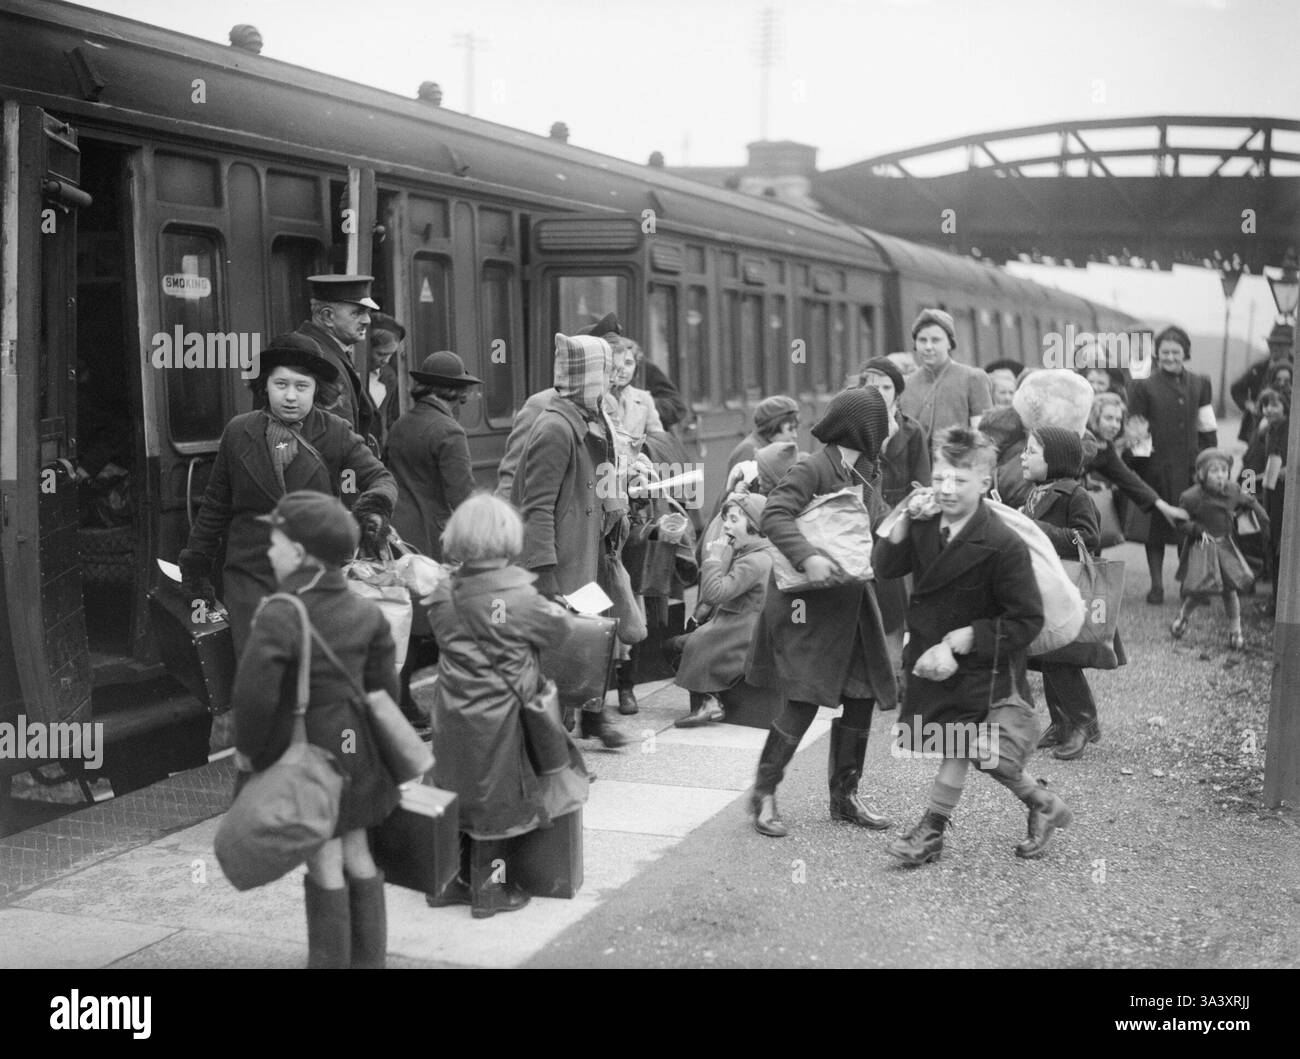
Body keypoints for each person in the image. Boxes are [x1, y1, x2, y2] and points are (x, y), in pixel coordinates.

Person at [875, 428, 1072, 865]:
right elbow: (885, 566)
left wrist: (966, 639)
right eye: (941, 477)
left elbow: (1026, 620)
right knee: (960, 746)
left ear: (985, 483)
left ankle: (932, 832)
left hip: (985, 667)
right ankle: (1039, 802)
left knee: (972, 750)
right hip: (930, 659)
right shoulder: (925, 520)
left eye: (960, 481)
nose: (946, 489)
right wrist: (905, 516)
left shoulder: (1002, 544)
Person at [231, 491, 399, 968]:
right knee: (358, 850)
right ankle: (369, 962)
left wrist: (253, 755)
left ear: (300, 554)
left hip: (309, 752)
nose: (268, 552)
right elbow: (385, 690)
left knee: (323, 859)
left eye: (276, 543)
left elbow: (254, 697)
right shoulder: (367, 611)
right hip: (359, 752)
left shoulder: (281, 613)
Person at [423, 494, 590, 918]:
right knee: (495, 807)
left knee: (456, 793)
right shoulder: (516, 598)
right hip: (501, 715)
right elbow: (561, 630)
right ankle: (490, 891)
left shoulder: (445, 592)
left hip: (452, 713)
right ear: (505, 538)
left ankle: (445, 885)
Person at [179, 334, 396, 656]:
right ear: (264, 386)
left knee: (311, 674)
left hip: (314, 579)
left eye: (301, 386)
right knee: (262, 672)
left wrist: (372, 510)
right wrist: (196, 569)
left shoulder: (335, 431)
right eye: (281, 384)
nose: (290, 396)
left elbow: (381, 478)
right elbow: (215, 506)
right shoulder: (238, 432)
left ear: (316, 390)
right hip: (250, 577)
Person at [745, 387, 898, 838]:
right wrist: (807, 556)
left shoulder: (867, 471)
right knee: (803, 698)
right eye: (882, 422)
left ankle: (844, 796)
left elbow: (872, 523)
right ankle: (764, 794)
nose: (887, 431)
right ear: (865, 428)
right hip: (807, 607)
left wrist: (910, 516)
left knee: (862, 693)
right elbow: (774, 515)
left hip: (851, 602)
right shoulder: (813, 467)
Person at [511, 331, 629, 748]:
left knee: (587, 640)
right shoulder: (556, 427)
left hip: (584, 554)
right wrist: (543, 572)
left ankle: (587, 725)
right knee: (558, 654)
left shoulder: (583, 418)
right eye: (603, 369)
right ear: (588, 376)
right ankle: (553, 754)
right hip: (561, 563)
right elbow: (536, 506)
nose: (610, 378)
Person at [1019, 427, 1102, 760]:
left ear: (1054, 459)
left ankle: (1084, 721)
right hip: (1043, 585)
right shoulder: (1037, 492)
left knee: (1061, 657)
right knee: (1047, 654)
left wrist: (1039, 529)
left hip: (1067, 588)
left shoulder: (1074, 495)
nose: (1023, 456)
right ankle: (1060, 721)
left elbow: (1088, 538)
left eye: (1031, 451)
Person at [665, 491, 774, 728]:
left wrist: (714, 559)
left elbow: (714, 593)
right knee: (684, 643)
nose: (726, 526)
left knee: (683, 645)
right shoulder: (760, 553)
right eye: (726, 519)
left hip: (739, 635)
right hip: (739, 627)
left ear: (755, 524)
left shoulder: (754, 560)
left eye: (735, 520)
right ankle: (708, 698)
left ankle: (708, 701)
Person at [1127, 325, 1216, 605]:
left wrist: (1210, 462)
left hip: (1191, 468)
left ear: (1185, 353)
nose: (1169, 357)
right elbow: (1137, 428)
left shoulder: (1200, 383)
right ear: (1157, 353)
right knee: (1155, 530)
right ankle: (1156, 587)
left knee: (1189, 529)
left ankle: (1190, 586)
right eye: (1164, 351)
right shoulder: (1143, 387)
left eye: (1175, 352)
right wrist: (1139, 467)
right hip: (1155, 467)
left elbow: (1207, 426)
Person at [1171, 449, 1269, 649]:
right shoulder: (1191, 497)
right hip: (1204, 548)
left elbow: (1249, 499)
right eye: (1214, 471)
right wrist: (1196, 529)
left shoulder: (1233, 490)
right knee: (1199, 591)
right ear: (1202, 474)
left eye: (1224, 470)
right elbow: (1179, 521)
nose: (1220, 475)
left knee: (1230, 590)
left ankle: (1236, 632)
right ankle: (1183, 618)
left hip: (1226, 547)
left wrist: (1261, 514)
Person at [387, 351, 480, 559]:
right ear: (456, 392)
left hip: (395, 532)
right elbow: (461, 496)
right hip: (430, 537)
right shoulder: (450, 431)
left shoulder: (400, 424)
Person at [294, 274, 381, 446]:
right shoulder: (323, 360)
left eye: (367, 312)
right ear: (327, 317)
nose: (367, 320)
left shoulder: (319, 349)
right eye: (357, 313)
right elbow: (339, 442)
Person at [1085, 392, 1189, 531]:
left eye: (1118, 420)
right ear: (1094, 418)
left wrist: (1164, 507)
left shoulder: (1105, 446)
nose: (1115, 425)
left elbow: (1129, 480)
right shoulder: (1080, 438)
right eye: (1109, 418)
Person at [896, 308, 992, 439]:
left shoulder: (972, 378)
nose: (928, 347)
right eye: (922, 340)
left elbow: (982, 437)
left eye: (936, 340)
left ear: (949, 344)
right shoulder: (905, 384)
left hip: (957, 458)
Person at [858, 356, 929, 507]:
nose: (881, 393)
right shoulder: (850, 427)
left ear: (896, 392)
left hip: (900, 511)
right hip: (861, 510)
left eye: (887, 388)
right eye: (874, 387)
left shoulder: (913, 430)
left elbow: (922, 484)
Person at [1230, 322, 1293, 442]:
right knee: (1254, 457)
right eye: (1272, 344)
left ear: (1289, 347)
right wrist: (1248, 405)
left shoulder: (1296, 369)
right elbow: (1236, 388)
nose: (1275, 348)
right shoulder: (1259, 368)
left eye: (1280, 345)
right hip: (1257, 428)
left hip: (1286, 430)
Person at [726, 395, 800, 473]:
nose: (795, 435)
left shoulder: (769, 448)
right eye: (790, 429)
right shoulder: (749, 452)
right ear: (774, 426)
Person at [366, 313, 406, 448]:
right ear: (366, 349)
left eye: (391, 355)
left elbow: (389, 419)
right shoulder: (354, 375)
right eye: (381, 354)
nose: (386, 361)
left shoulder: (389, 376)